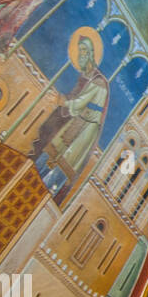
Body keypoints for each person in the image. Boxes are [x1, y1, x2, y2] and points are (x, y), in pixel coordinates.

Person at [31, 33, 108, 198]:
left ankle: (46, 187)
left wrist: (63, 101)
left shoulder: (99, 82)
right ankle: (34, 173)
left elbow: (81, 102)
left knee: (64, 158)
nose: (81, 55)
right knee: (51, 137)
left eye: (84, 51)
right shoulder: (85, 75)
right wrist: (65, 103)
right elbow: (76, 97)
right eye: (79, 51)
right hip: (76, 116)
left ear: (90, 53)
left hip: (84, 125)